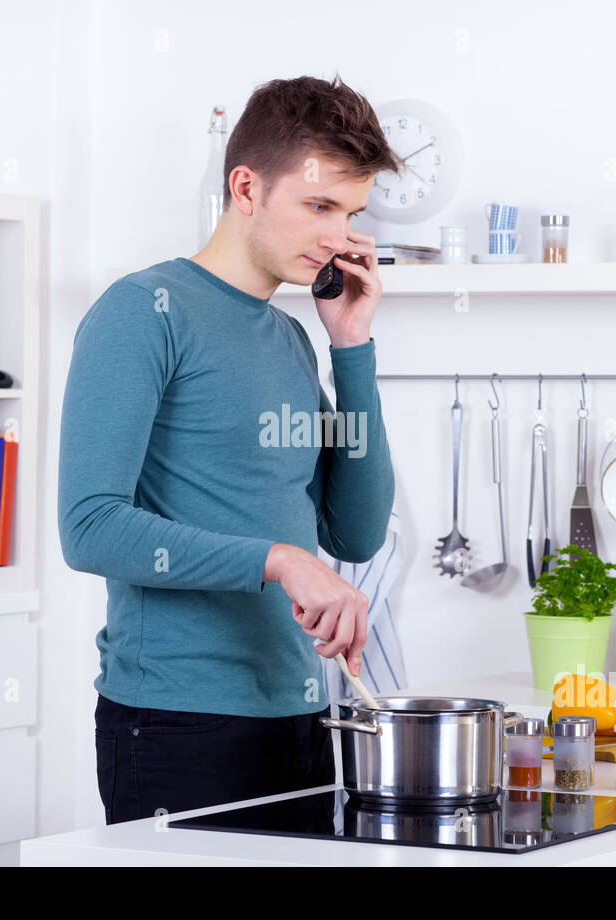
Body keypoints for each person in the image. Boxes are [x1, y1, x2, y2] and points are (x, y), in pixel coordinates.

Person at [58, 73, 402, 825]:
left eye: (350, 212)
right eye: (319, 206)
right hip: (177, 727)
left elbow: (356, 530)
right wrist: (277, 560)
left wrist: (351, 345)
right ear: (246, 189)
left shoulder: (287, 336)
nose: (340, 237)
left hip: (301, 716)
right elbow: (89, 527)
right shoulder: (143, 312)